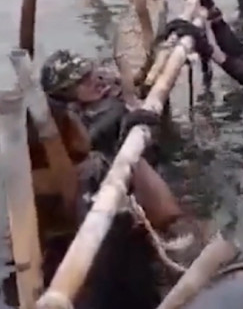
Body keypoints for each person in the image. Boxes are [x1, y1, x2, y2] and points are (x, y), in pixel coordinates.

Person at [35, 50, 206, 261]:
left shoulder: (105, 107)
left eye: (91, 73)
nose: (95, 80)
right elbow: (85, 145)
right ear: (65, 92)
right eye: (83, 80)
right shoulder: (67, 128)